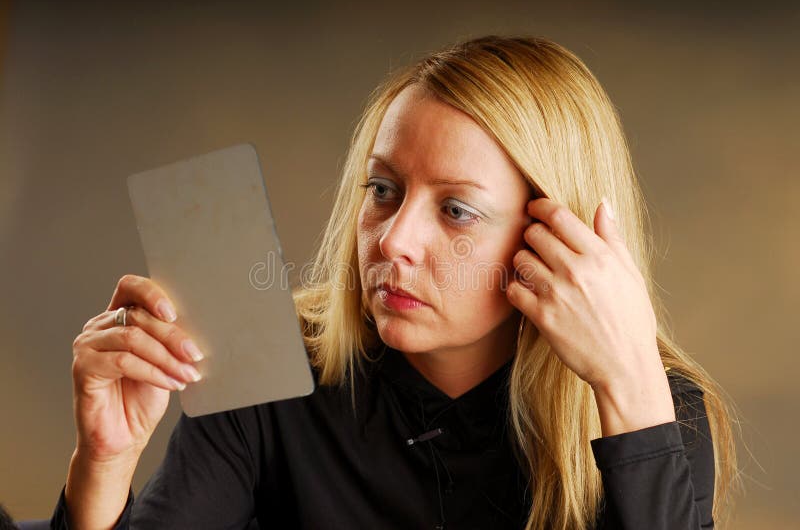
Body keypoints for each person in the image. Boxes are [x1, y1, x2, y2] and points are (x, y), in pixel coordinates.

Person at [50, 35, 739, 529]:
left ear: (556, 242)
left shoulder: (653, 405)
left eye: (457, 210)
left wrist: (629, 389)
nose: (394, 240)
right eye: (382, 189)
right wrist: (104, 465)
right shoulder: (266, 369)